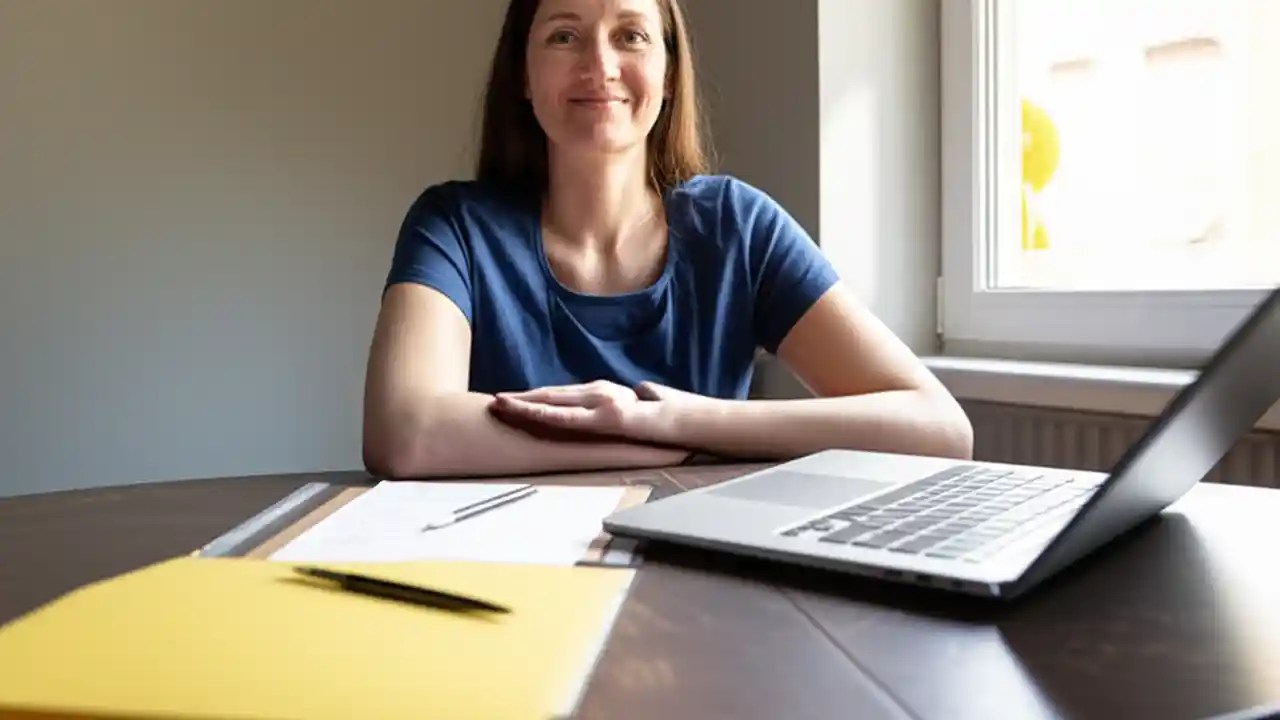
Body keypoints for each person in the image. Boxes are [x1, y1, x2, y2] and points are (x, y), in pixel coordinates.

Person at [362, 0, 973, 479]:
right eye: (563, 35)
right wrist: (648, 438)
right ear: (523, 74)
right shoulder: (454, 226)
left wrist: (680, 418)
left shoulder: (738, 226)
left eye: (630, 35)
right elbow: (404, 431)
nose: (599, 66)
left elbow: (939, 427)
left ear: (670, 72)